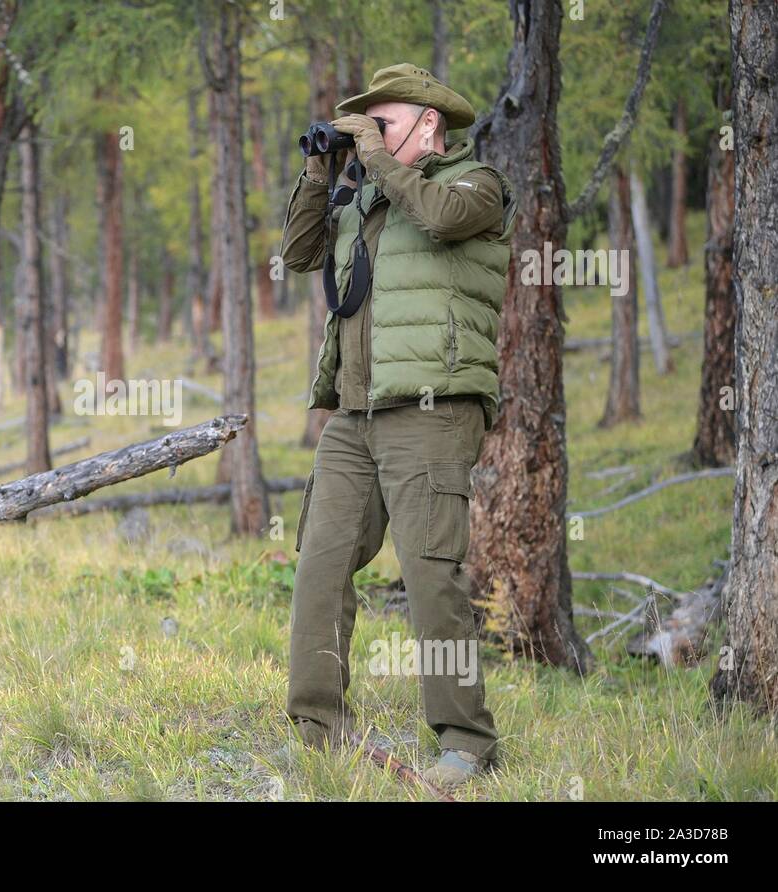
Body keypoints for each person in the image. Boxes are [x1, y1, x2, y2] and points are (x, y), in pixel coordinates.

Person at [279, 63, 518, 790]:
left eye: (380, 124)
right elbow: (295, 256)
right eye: (364, 126)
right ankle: (318, 730)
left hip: (433, 410)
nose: (367, 137)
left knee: (429, 574)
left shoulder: (475, 186)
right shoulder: (364, 200)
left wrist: (377, 161)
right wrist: (323, 175)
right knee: (319, 566)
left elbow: (440, 220)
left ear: (428, 124)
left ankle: (466, 741)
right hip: (355, 413)